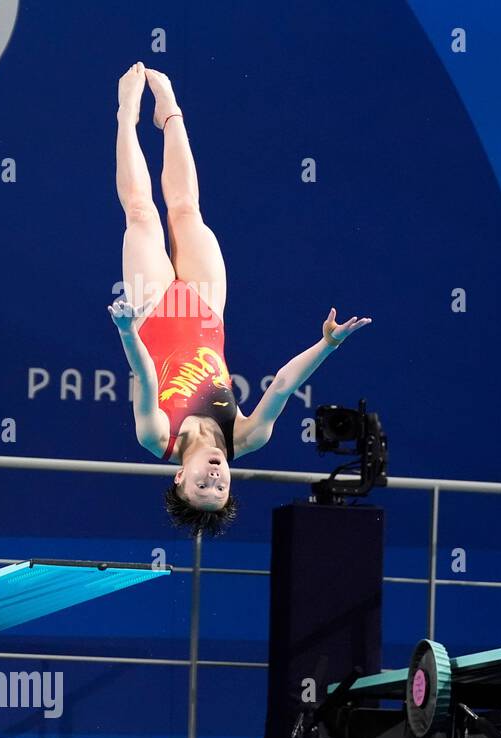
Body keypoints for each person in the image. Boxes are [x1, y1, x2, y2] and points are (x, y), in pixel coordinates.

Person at [109, 63, 372, 536]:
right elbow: (283, 386)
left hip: (152, 312)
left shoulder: (157, 438)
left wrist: (129, 330)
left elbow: (145, 375)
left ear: (179, 477)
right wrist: (327, 345)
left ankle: (126, 114)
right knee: (187, 211)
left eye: (201, 487)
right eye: (221, 488)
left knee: (143, 215)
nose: (213, 478)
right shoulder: (246, 438)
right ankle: (170, 113)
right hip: (207, 310)